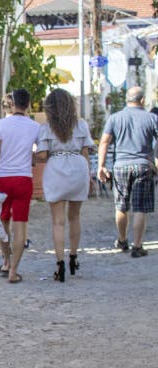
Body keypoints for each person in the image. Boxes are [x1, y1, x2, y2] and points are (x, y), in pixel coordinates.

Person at [35, 88, 94, 282]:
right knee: (75, 217)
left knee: (57, 221)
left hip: (56, 169)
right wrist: (90, 176)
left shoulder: (46, 127)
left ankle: (59, 265)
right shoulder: (81, 125)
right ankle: (73, 257)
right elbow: (86, 152)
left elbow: (42, 155)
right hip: (78, 167)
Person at [0, 88, 41, 283]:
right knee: (20, 226)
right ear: (28, 104)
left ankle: (6, 261)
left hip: (1, 179)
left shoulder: (0, 124)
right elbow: (40, 154)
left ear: (12, 103)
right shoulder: (35, 127)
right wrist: (29, 156)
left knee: (2, 222)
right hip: (23, 179)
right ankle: (13, 271)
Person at [97, 86, 158, 257]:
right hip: (143, 165)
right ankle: (137, 246)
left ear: (127, 99)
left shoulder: (115, 118)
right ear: (142, 100)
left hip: (120, 166)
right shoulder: (151, 118)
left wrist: (101, 166)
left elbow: (104, 142)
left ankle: (122, 239)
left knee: (121, 206)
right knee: (140, 207)